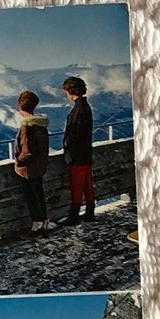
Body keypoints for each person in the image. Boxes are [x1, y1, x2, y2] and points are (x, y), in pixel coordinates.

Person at [13, 90, 54, 235]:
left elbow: (27, 150)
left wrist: (18, 162)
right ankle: (44, 221)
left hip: (28, 169)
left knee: (32, 197)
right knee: (39, 194)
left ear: (20, 107)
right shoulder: (41, 125)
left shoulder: (27, 127)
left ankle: (37, 224)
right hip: (40, 166)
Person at [61, 76, 95, 225]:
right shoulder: (84, 106)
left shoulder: (78, 109)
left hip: (78, 155)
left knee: (77, 186)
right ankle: (89, 212)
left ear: (70, 91)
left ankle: (73, 216)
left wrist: (69, 152)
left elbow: (75, 134)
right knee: (87, 185)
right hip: (85, 153)